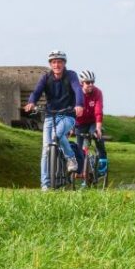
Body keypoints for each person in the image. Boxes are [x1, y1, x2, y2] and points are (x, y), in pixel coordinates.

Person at [24, 50, 84, 190]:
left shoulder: (71, 75)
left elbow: (78, 90)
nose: (56, 65)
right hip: (50, 116)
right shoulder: (46, 77)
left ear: (64, 63)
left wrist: (79, 105)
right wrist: (31, 102)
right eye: (54, 62)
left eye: (59, 62)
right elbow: (37, 91)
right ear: (50, 64)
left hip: (68, 115)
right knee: (46, 149)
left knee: (57, 136)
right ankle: (45, 186)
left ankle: (71, 158)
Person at [74, 70, 108, 179]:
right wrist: (71, 127)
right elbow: (72, 110)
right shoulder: (76, 93)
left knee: (97, 136)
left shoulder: (97, 92)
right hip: (80, 123)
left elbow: (98, 111)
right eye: (88, 82)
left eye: (92, 82)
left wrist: (98, 127)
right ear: (81, 83)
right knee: (79, 149)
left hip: (92, 122)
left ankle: (103, 161)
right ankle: (83, 172)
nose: (91, 85)